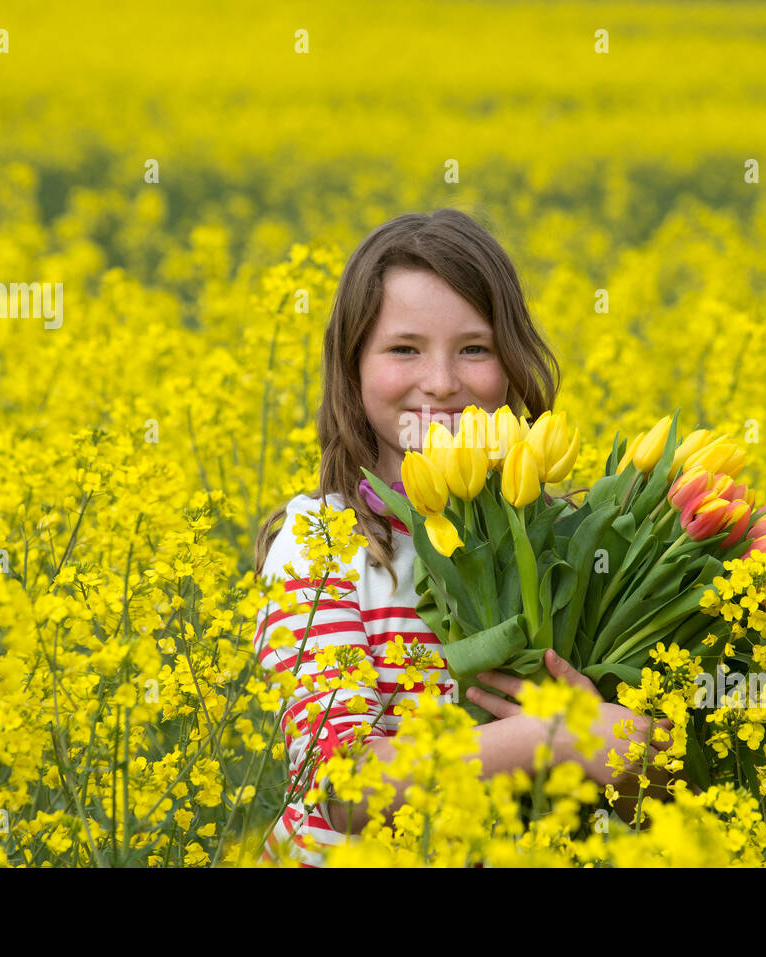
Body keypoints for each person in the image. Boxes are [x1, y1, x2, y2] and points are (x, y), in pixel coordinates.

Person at [252, 207, 674, 868]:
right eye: (404, 348)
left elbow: (656, 804)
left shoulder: (561, 543)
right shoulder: (323, 539)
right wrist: (556, 738)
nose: (443, 382)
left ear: (510, 362)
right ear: (353, 364)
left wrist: (621, 755)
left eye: (474, 348)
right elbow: (344, 785)